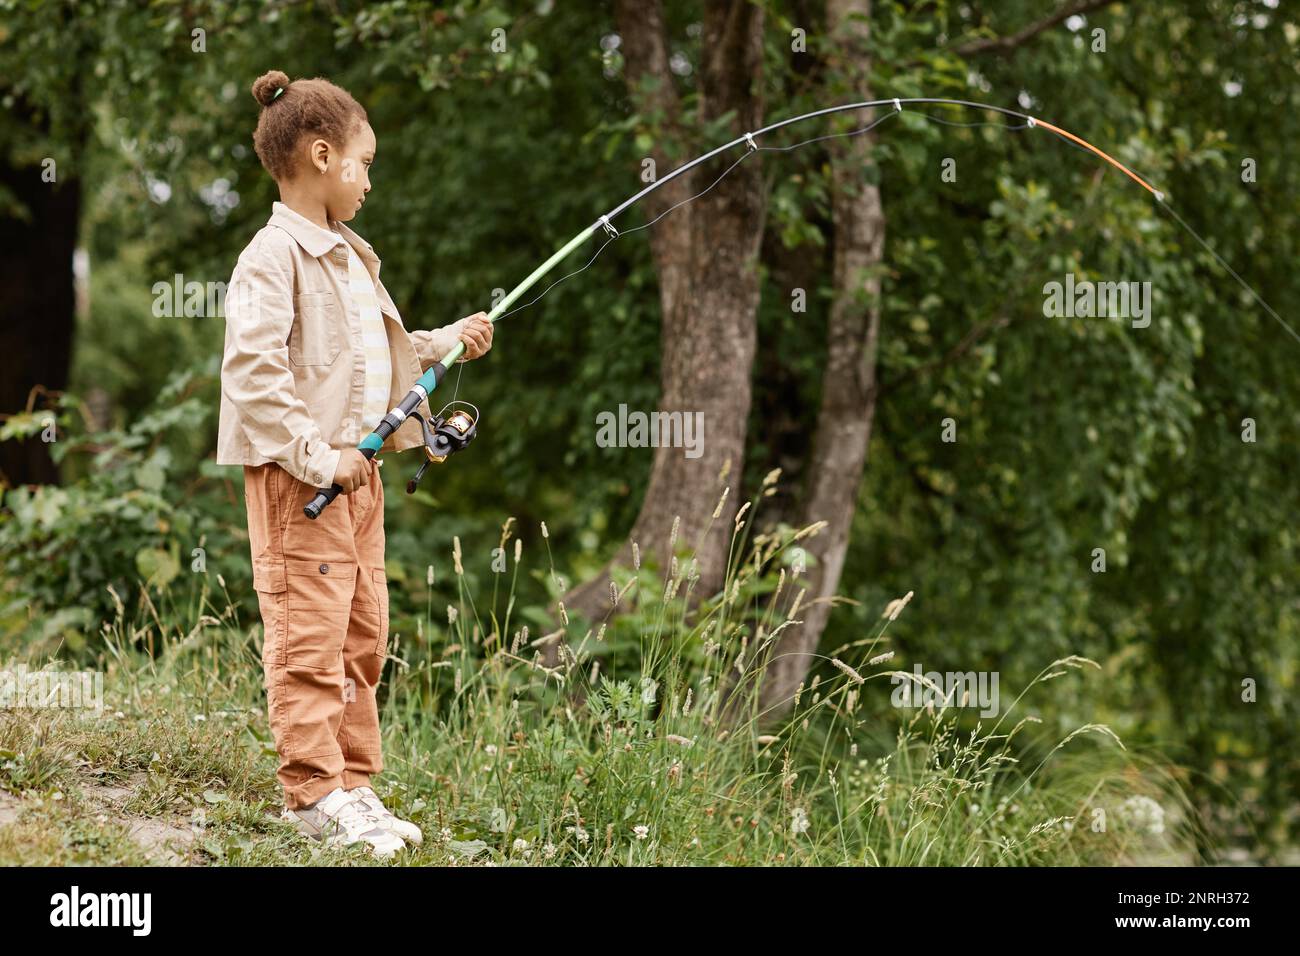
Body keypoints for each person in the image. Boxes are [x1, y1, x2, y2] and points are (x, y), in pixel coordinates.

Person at [215, 69, 493, 858]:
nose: (369, 179)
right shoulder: (273, 258)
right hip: (304, 480)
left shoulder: (349, 256)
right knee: (310, 632)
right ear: (322, 153)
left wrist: (448, 340)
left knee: (361, 632)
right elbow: (253, 377)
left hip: (359, 479)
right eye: (364, 163)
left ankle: (353, 785)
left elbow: (379, 360)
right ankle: (311, 793)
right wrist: (317, 455)